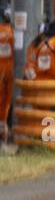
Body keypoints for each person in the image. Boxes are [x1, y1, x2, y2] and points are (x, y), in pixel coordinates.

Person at [0, 9, 13, 143]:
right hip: (12, 69)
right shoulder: (14, 32)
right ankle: (7, 130)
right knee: (9, 100)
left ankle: (3, 130)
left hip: (1, 70)